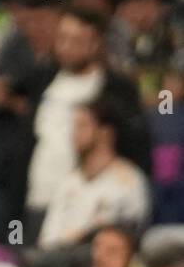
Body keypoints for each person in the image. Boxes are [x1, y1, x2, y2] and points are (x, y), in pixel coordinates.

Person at [38, 98, 151, 248]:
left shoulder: (128, 181)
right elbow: (47, 239)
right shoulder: (68, 181)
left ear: (106, 132)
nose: (74, 134)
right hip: (57, 262)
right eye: (74, 126)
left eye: (82, 126)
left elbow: (124, 241)